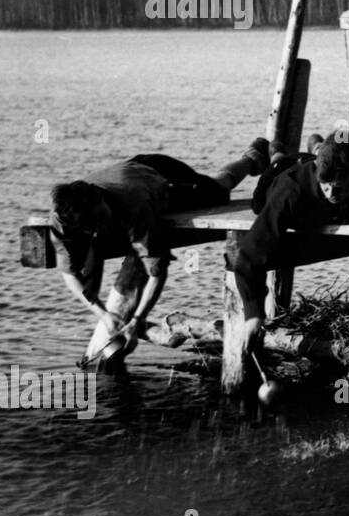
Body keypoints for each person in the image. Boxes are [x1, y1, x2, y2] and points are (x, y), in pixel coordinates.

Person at [50, 138, 269, 366]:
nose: (100, 226)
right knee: (93, 253)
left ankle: (252, 159)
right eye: (93, 226)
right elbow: (69, 274)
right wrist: (103, 314)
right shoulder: (61, 219)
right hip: (130, 178)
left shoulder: (134, 202)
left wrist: (137, 319)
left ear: (99, 197)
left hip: (163, 176)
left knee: (220, 189)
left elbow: (157, 272)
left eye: (101, 218)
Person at [229, 131, 349, 337]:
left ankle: (318, 146)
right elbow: (248, 256)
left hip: (317, 161)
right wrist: (253, 315)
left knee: (344, 145)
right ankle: (278, 152)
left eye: (339, 189)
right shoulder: (290, 191)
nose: (331, 194)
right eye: (326, 187)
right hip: (282, 172)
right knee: (269, 183)